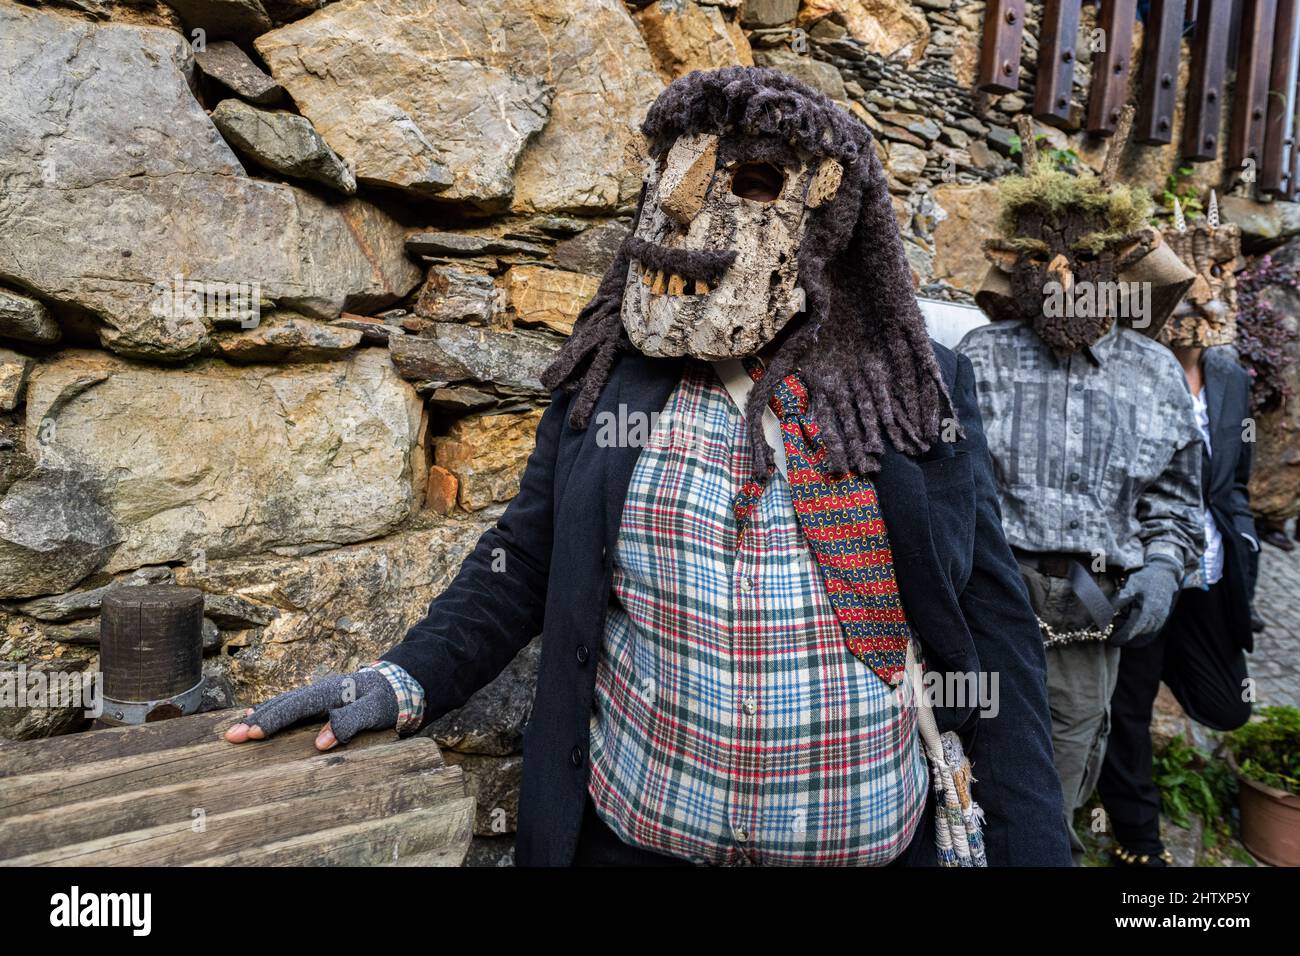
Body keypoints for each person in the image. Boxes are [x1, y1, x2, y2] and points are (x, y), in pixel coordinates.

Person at [227, 68, 1069, 867]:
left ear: (829, 214)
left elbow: (989, 620)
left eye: (750, 180)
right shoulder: (614, 371)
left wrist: (1034, 848)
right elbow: (525, 558)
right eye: (673, 170)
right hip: (634, 843)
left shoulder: (908, 386)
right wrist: (403, 679)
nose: (681, 205)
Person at [957, 122, 1203, 864]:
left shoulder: (1153, 373)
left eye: (1085, 259)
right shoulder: (977, 358)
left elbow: (1174, 497)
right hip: (981, 604)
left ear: (1119, 267)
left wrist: (1163, 566)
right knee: (955, 774)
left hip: (1089, 620)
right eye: (1046, 259)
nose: (1064, 278)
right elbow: (940, 488)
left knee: (1051, 793)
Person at [1097, 200, 1255, 866]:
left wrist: (1241, 545)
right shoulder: (1123, 370)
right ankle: (1138, 837)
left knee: (1227, 706)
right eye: (1195, 282)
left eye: (1220, 281)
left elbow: (1235, 483)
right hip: (1147, 570)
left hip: (1211, 575)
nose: (1210, 296)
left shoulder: (1229, 377)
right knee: (1129, 708)